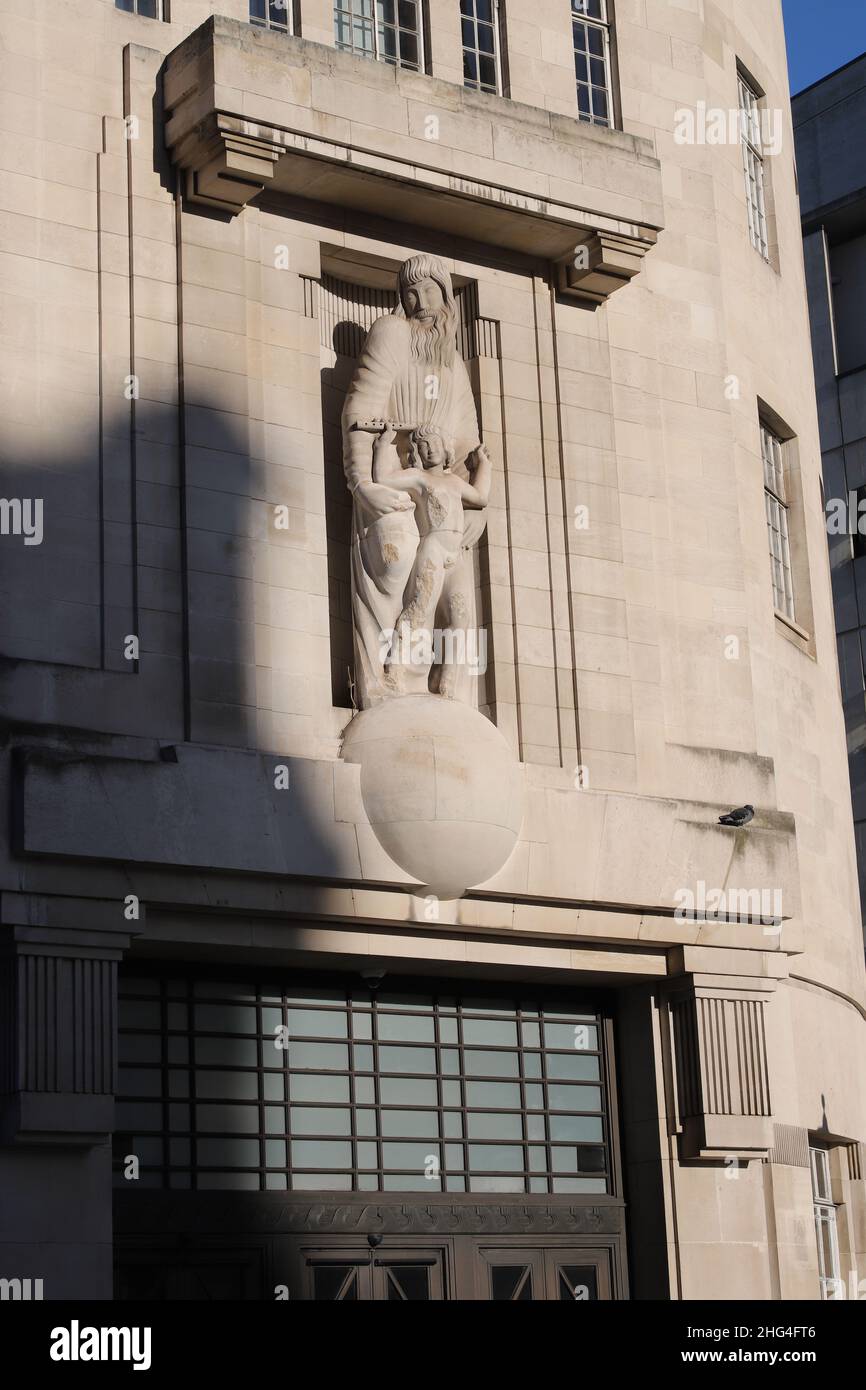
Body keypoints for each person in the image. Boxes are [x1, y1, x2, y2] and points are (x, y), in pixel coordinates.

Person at [368, 423, 491, 694]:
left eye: (434, 443)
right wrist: (383, 444)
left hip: (455, 553)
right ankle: (395, 668)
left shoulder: (455, 482)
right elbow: (383, 478)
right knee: (419, 608)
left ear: (445, 448)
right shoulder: (419, 478)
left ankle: (445, 680)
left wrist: (483, 464)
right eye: (423, 445)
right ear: (417, 452)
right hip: (433, 549)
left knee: (460, 616)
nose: (429, 448)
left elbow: (481, 497)